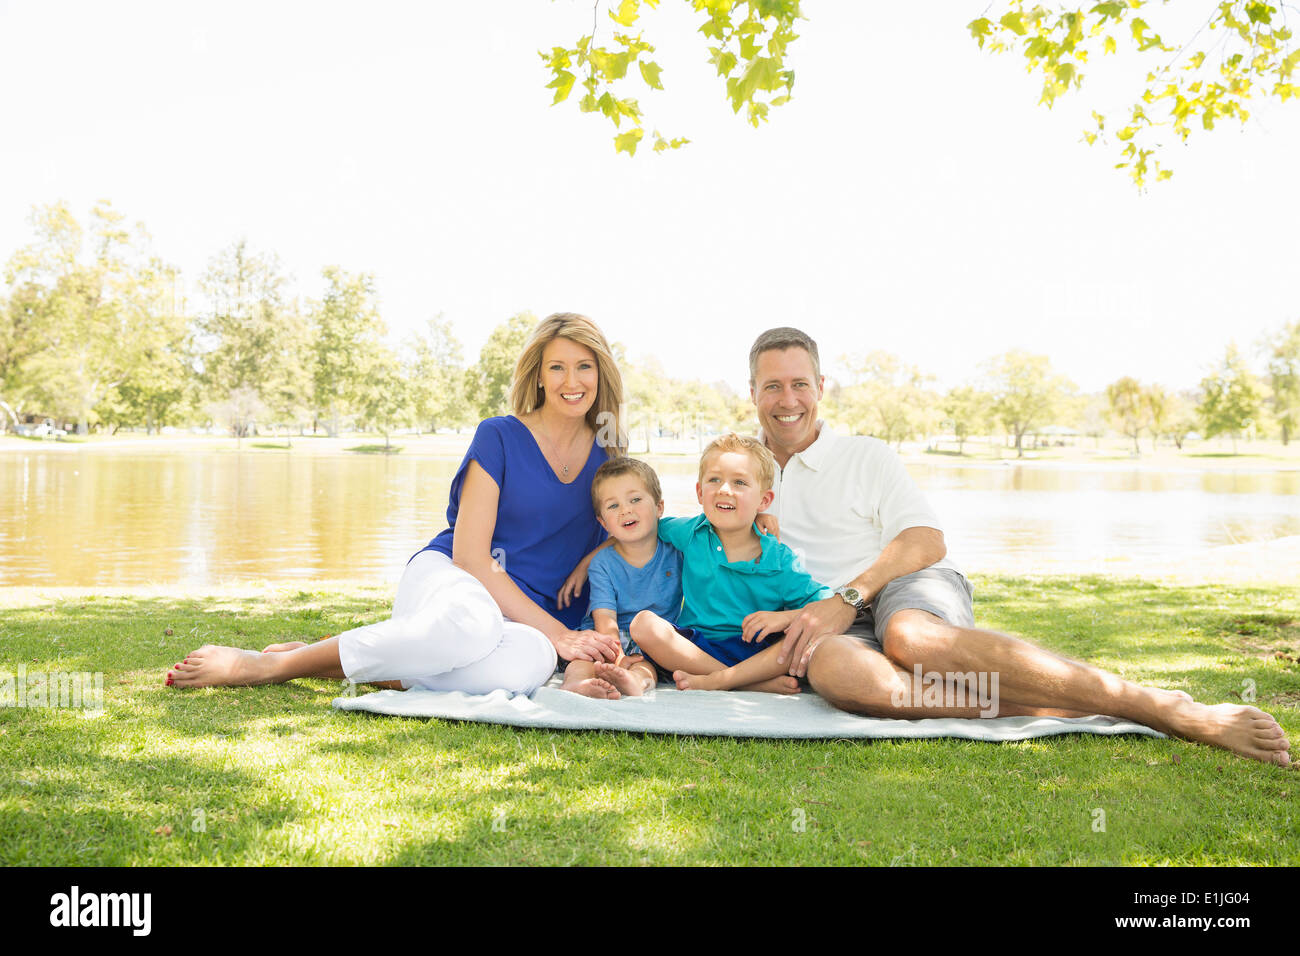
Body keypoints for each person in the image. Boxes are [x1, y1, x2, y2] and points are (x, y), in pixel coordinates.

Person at [741, 326, 1291, 766]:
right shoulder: (737, 469)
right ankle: (1054, 701)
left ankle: (1154, 706)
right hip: (825, 621)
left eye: (799, 384)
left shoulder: (867, 454)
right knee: (833, 672)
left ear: (820, 388)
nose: (787, 400)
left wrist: (848, 598)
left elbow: (926, 540)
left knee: (913, 640)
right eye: (772, 386)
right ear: (752, 394)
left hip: (896, 585)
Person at [166, 313, 626, 694]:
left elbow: (634, 532)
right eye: (557, 367)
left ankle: (334, 654)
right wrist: (561, 634)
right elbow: (471, 557)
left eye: (584, 366)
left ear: (600, 373)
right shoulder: (500, 435)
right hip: (455, 578)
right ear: (540, 377)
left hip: (534, 616)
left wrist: (591, 558)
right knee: (472, 627)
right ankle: (267, 667)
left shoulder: (611, 454)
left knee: (518, 672)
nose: (572, 381)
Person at [626, 433, 829, 695]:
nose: (724, 489)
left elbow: (825, 604)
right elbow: (641, 528)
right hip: (696, 648)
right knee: (644, 624)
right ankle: (745, 683)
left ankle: (726, 679)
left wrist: (784, 617)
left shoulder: (779, 559)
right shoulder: (692, 532)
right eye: (714, 480)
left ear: (764, 500)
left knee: (801, 636)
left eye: (740, 482)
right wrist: (589, 559)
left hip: (757, 653)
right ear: (700, 492)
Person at [559, 457, 678, 700]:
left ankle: (634, 682)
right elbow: (605, 619)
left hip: (653, 639)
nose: (625, 510)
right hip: (608, 634)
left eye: (635, 499)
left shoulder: (677, 550)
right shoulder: (603, 562)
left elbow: (713, 529)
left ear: (659, 507)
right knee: (584, 658)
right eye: (613, 506)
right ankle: (578, 683)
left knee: (647, 667)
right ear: (603, 522)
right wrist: (617, 655)